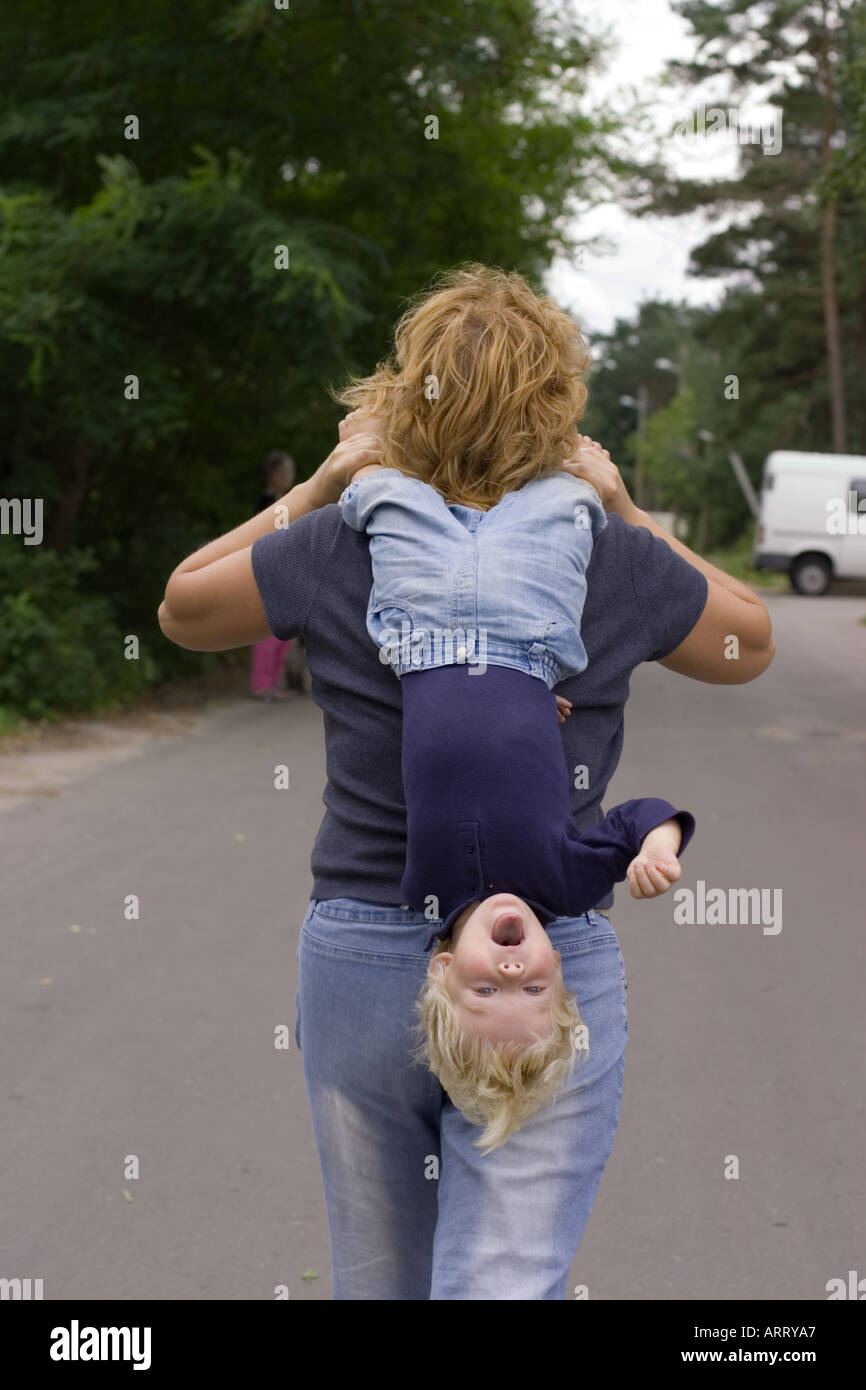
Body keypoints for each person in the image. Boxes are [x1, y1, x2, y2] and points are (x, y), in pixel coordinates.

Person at [157, 263, 775, 1299]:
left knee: (379, 1279)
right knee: (499, 1283)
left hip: (360, 947)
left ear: (401, 398)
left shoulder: (340, 539)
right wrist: (625, 508)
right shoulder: (605, 557)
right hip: (538, 951)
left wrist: (313, 488)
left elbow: (181, 608)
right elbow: (746, 643)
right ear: (558, 411)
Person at [337, 460, 696, 1151]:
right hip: (527, 634)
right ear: (557, 971)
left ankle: (372, 441)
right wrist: (658, 846)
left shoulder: (420, 894)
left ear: (441, 972)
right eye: (532, 995)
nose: (509, 975)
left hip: (421, 629)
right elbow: (637, 815)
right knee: (566, 493)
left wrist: (505, 714)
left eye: (485, 995)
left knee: (382, 488)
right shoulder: (563, 884)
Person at [249, 451, 298, 700]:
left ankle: (273, 684)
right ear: (272, 476)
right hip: (270, 570)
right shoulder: (267, 502)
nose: (288, 476)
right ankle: (262, 685)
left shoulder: (287, 500)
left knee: (283, 633)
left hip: (285, 570)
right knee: (267, 632)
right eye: (284, 472)